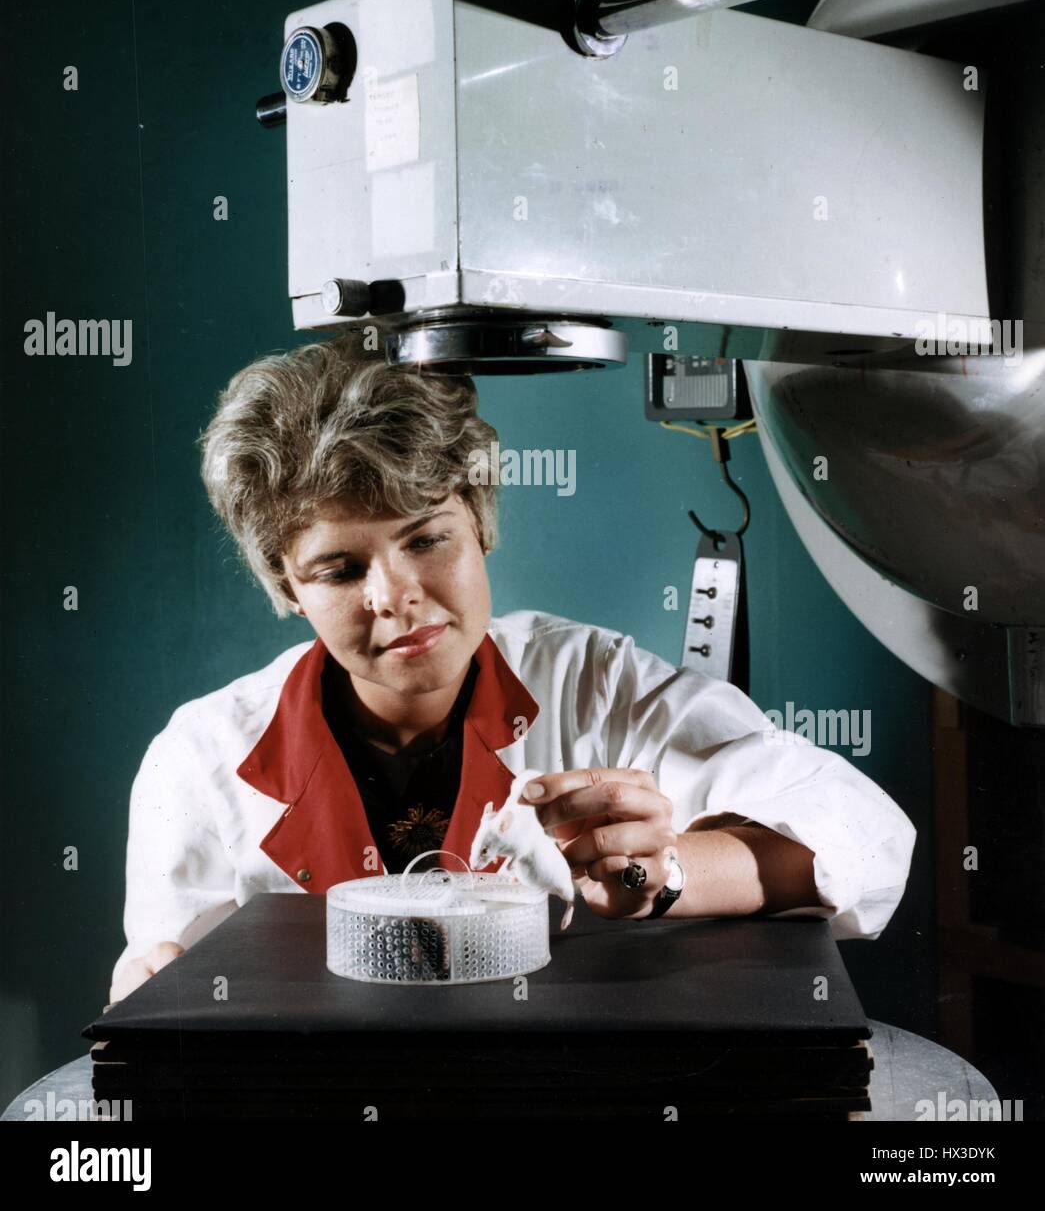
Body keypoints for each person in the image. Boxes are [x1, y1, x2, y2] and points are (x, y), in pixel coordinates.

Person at [109, 334, 916, 1002]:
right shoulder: (201, 759)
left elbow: (868, 840)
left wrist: (661, 875)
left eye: (427, 539)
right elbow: (171, 987)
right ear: (286, 585)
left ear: (481, 521)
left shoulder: (595, 683)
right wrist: (149, 987)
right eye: (340, 570)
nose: (396, 598)